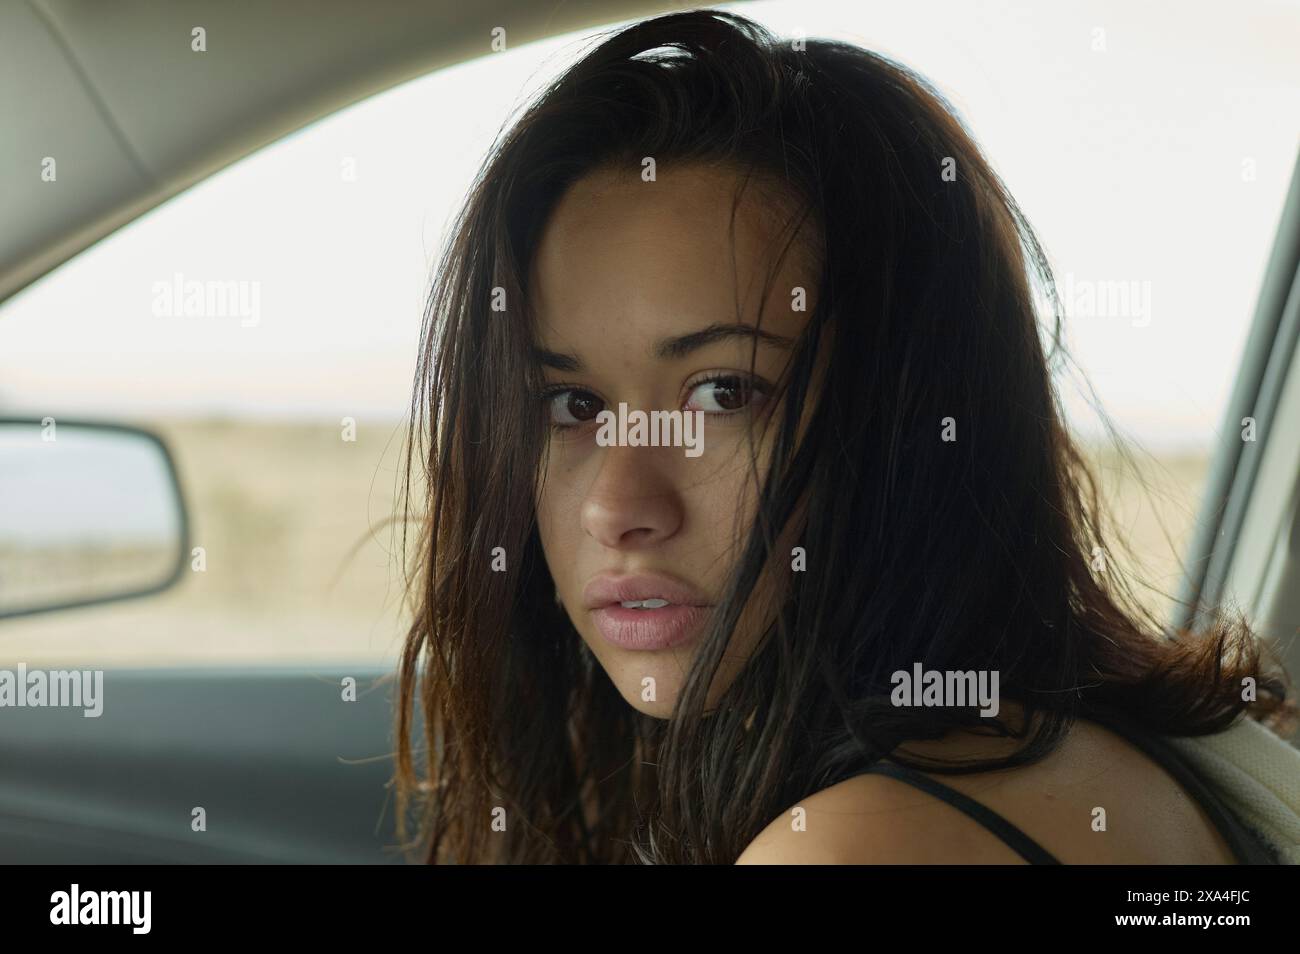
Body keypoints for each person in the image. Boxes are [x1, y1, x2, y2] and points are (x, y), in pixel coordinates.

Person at [391, 9, 1297, 864]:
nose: (616, 507)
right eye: (571, 405)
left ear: (914, 419)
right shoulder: (1172, 747)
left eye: (724, 391)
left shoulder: (855, 845)